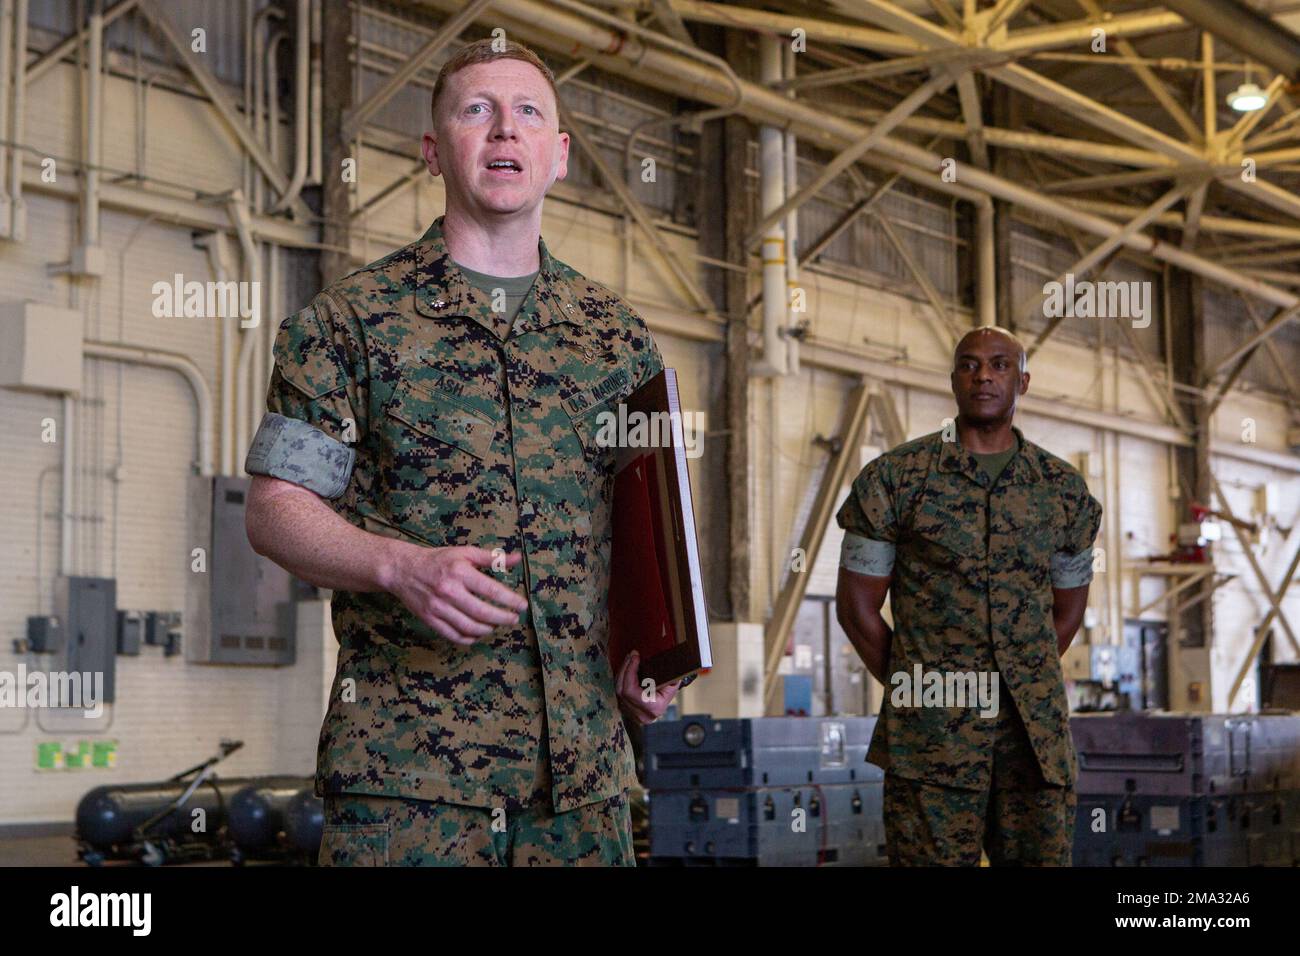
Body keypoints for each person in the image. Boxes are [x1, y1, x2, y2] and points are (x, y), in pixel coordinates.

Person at [243, 38, 680, 867]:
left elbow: (643, 531)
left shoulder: (618, 341)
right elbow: (275, 511)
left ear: (559, 158)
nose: (503, 131)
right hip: (407, 787)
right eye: (476, 111)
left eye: (527, 114)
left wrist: (648, 654)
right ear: (434, 151)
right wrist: (399, 567)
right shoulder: (349, 324)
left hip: (581, 787)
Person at [835, 325, 1102, 866]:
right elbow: (856, 607)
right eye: (970, 364)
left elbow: (1068, 610)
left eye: (1000, 365)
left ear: (1022, 381)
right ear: (953, 379)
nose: (984, 375)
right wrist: (919, 686)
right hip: (930, 745)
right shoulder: (895, 480)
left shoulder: (1063, 491)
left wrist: (1025, 675)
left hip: (1034, 742)